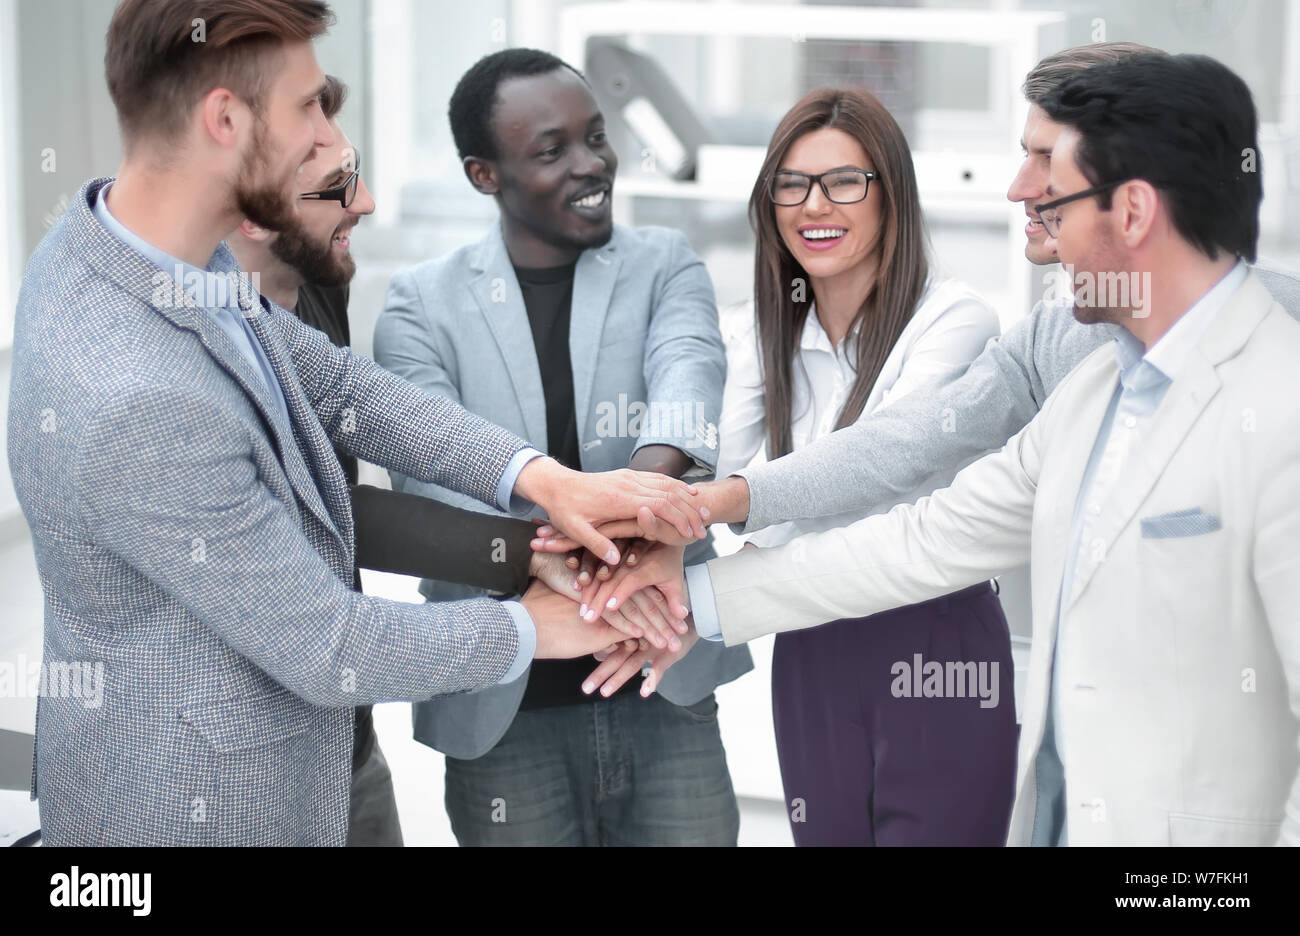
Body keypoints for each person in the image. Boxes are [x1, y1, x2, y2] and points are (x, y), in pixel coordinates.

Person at [7, 0, 702, 846]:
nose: (331, 142)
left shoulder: (126, 242)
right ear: (224, 118)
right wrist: (541, 622)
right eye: (308, 106)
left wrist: (547, 480)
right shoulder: (138, 398)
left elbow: (341, 389)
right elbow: (330, 645)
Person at [591, 52, 1300, 846]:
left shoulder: (1275, 397)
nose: (1016, 191)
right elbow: (922, 523)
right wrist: (701, 595)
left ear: (1131, 209)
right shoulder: (1082, 386)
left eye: (1044, 163)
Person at [228, 75, 646, 846]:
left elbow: (341, 499)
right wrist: (529, 619)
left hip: (341, 742)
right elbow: (319, 625)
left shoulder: (315, 293)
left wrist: (538, 516)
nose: (366, 203)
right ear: (254, 213)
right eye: (335, 190)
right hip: (236, 774)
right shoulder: (190, 348)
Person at [373, 48, 750, 846]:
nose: (591, 165)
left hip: (662, 677)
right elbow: (433, 483)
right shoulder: (417, 307)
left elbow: (690, 378)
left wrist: (635, 507)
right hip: (503, 710)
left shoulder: (664, 263)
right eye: (552, 151)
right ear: (486, 174)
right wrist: (596, 545)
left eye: (596, 137)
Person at [703, 85, 1008, 845]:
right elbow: (725, 478)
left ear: (889, 194)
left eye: (844, 181)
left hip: (934, 637)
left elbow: (876, 468)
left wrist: (735, 502)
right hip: (808, 638)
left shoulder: (955, 320)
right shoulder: (762, 333)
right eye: (792, 185)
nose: (816, 206)